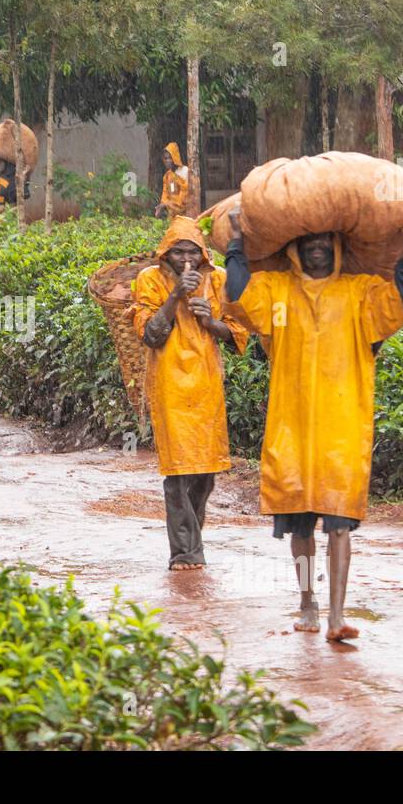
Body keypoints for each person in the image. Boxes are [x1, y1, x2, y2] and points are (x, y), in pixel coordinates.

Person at [223, 206, 403, 641]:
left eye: (323, 244)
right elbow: (239, 298)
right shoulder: (276, 290)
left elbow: (402, 302)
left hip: (340, 429)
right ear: (295, 250)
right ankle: (307, 601)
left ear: (336, 248)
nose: (316, 250)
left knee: (339, 522)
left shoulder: (360, 293)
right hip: (292, 428)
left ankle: (336, 614)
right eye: (307, 244)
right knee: (300, 526)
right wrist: (237, 242)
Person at [132, 216, 248, 570]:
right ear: (165, 254)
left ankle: (191, 539)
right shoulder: (149, 280)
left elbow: (238, 331)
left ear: (202, 256)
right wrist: (176, 296)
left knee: (205, 471)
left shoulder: (218, 281)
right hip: (169, 384)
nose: (185, 260)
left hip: (206, 384)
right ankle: (184, 551)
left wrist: (211, 321)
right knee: (178, 471)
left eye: (191, 253)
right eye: (178, 252)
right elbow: (150, 334)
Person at [155, 142, 190, 218]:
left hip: (185, 214)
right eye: (165, 158)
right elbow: (165, 194)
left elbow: (184, 197)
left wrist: (167, 204)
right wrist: (161, 206)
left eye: (169, 158)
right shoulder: (167, 176)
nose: (167, 161)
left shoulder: (184, 171)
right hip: (172, 215)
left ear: (175, 157)